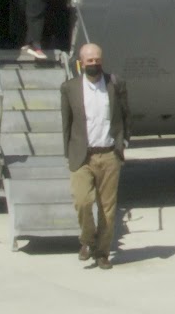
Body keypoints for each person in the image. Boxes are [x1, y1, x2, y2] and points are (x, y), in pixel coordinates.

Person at [59, 42, 130, 269]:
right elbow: (66, 123)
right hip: (82, 155)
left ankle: (102, 252)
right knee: (82, 201)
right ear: (81, 62)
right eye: (90, 61)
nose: (94, 64)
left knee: (107, 209)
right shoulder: (70, 88)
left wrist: (124, 143)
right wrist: (67, 152)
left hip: (109, 154)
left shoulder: (115, 84)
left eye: (97, 60)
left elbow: (126, 115)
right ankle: (87, 240)